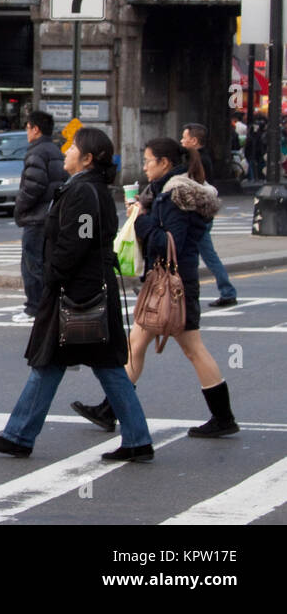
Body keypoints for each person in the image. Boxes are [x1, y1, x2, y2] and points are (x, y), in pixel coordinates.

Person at [0, 128, 154, 461]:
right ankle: (22, 434)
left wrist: (52, 276)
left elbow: (77, 242)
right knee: (70, 364)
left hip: (79, 296)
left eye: (73, 146)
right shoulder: (86, 188)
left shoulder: (85, 191)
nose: (66, 150)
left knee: (88, 365)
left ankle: (22, 435)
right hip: (82, 293)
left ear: (87, 158)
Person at [72, 136, 239, 439]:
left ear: (164, 163)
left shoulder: (176, 196)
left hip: (173, 285)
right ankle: (110, 409)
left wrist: (142, 222)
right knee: (137, 343)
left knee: (192, 349)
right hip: (165, 284)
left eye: (148, 160)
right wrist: (142, 210)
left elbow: (169, 242)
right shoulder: (166, 193)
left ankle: (223, 417)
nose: (144, 166)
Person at [13, 111, 69, 324]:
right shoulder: (55, 149)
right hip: (51, 215)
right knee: (46, 263)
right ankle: (47, 305)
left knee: (31, 264)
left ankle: (34, 307)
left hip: (36, 217)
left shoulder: (36, 152)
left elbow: (33, 185)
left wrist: (20, 208)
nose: (27, 132)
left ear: (35, 129)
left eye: (27, 127)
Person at [180, 123, 237, 308]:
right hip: (202, 214)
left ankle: (227, 291)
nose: (181, 141)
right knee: (193, 255)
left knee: (205, 255)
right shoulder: (202, 158)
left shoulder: (199, 161)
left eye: (184, 137)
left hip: (199, 215)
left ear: (194, 140)